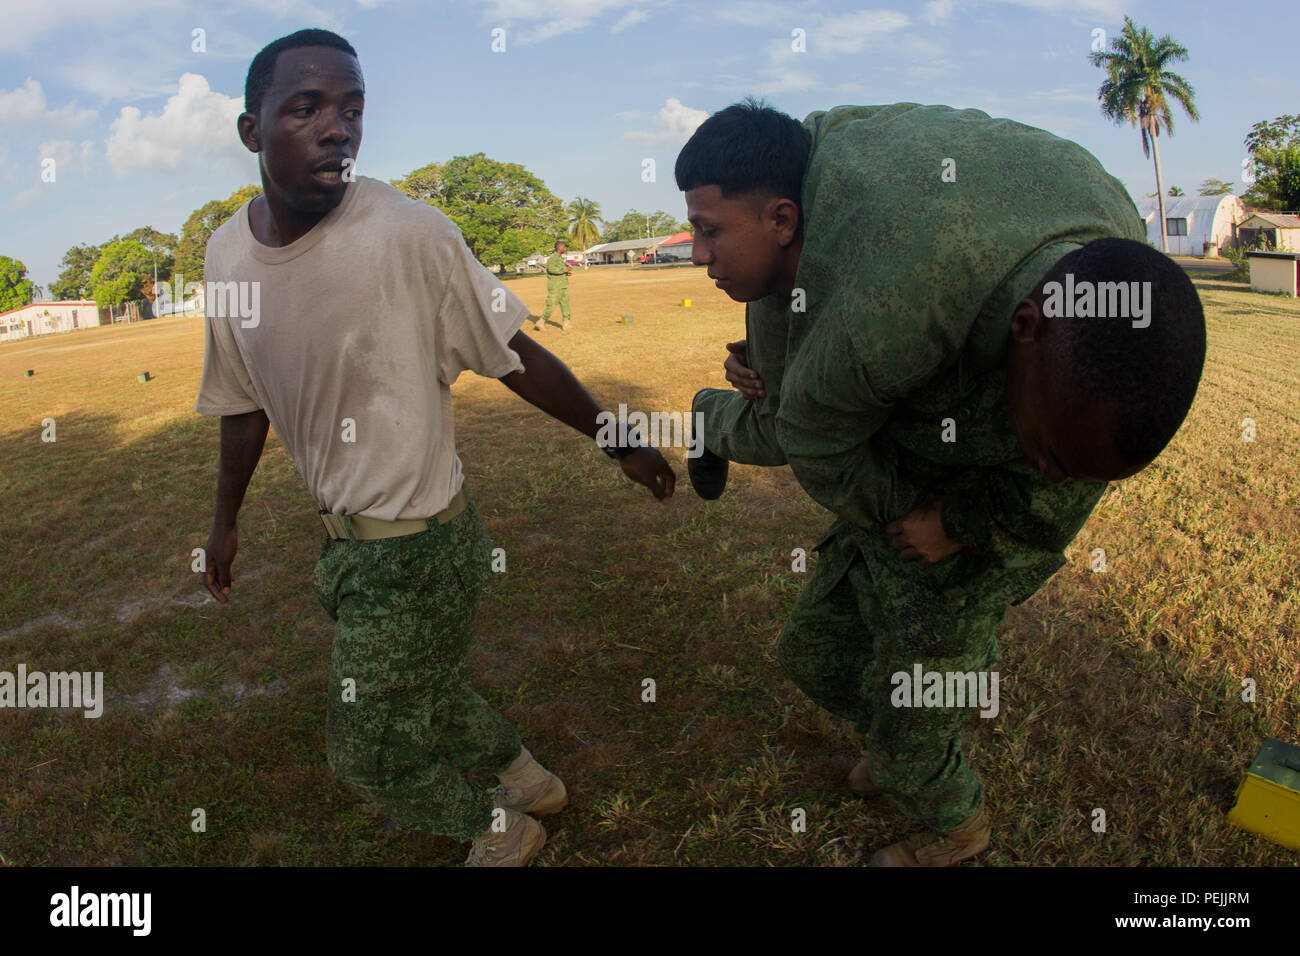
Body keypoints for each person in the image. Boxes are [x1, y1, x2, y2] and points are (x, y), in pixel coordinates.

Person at [676, 99, 1206, 866]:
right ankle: (908, 744)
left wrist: (959, 524)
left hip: (963, 525)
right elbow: (816, 441)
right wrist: (905, 518)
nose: (1057, 477)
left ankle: (951, 818)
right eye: (1048, 453)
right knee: (814, 654)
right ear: (1022, 331)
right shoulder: (887, 314)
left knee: (921, 706)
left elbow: (1058, 489)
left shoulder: (1113, 283)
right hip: (899, 453)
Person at [195, 29, 675, 868]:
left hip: (422, 544)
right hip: (344, 543)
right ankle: (527, 783)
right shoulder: (226, 253)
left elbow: (512, 351)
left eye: (352, 108)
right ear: (251, 130)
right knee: (425, 685)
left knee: (366, 747)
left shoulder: (408, 233)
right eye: (306, 108)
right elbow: (242, 402)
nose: (336, 127)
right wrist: (223, 520)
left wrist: (617, 439)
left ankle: (502, 834)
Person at [536, 239, 573, 331]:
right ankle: (541, 322)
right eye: (564, 247)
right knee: (551, 305)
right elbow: (552, 269)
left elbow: (557, 270)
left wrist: (566, 273)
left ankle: (566, 323)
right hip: (555, 286)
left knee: (565, 304)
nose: (565, 248)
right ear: (559, 248)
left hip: (562, 286)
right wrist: (565, 270)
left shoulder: (560, 258)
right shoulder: (553, 258)